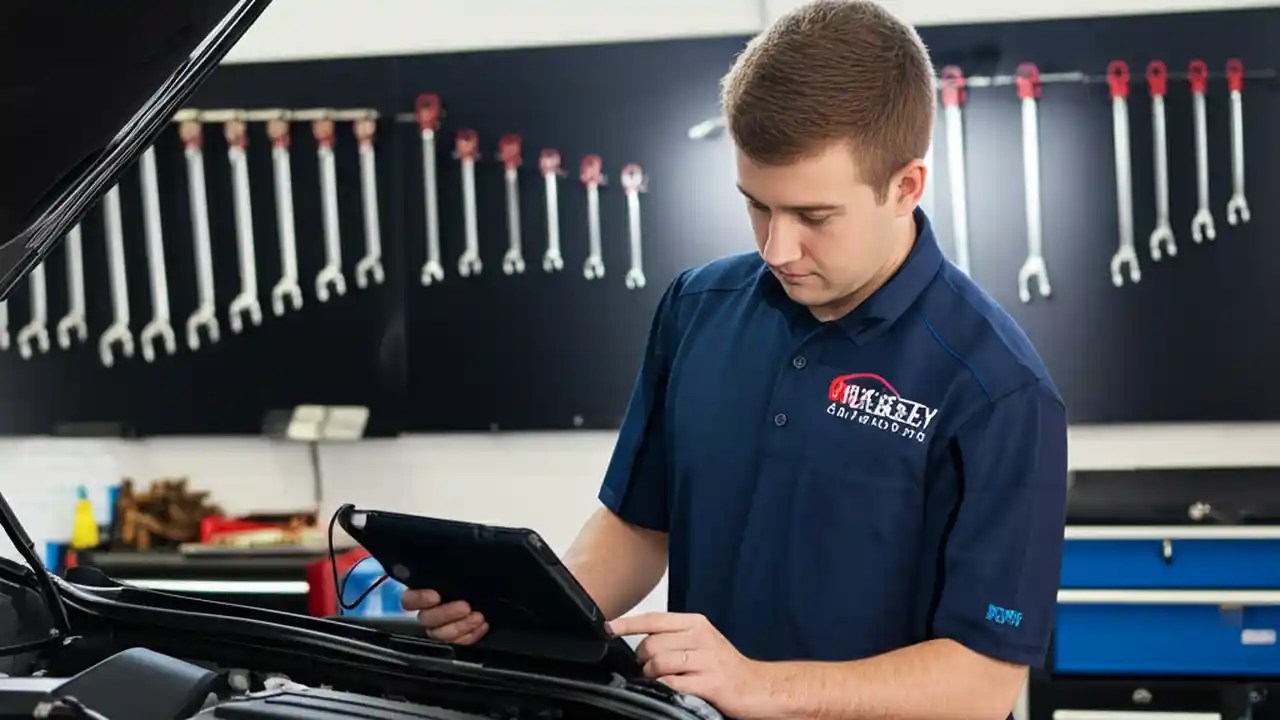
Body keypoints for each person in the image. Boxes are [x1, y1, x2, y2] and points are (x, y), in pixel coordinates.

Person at [402, 1, 1069, 717]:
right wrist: (518, 611)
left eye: (813, 217)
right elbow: (637, 527)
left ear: (905, 186)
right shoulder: (697, 307)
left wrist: (759, 686)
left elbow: (983, 682)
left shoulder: (1000, 392)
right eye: (757, 205)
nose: (776, 249)